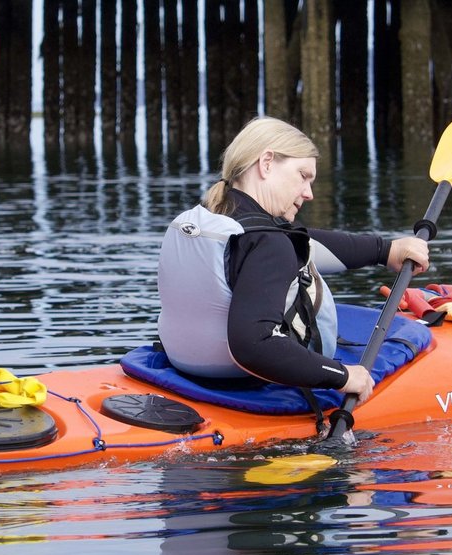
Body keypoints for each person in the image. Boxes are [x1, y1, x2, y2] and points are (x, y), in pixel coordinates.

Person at [157, 117, 429, 407]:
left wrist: (386, 250)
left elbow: (304, 241)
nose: (309, 193)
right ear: (267, 163)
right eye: (303, 175)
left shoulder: (200, 222)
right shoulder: (267, 244)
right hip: (244, 380)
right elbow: (255, 346)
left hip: (183, 368)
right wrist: (343, 376)